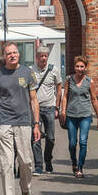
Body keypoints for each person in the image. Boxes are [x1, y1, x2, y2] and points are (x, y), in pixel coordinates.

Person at [0, 42, 40, 195]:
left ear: (19, 54)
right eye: (9, 53)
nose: (12, 55)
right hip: (4, 122)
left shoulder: (28, 72)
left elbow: (33, 100)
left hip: (24, 122)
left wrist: (36, 124)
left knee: (26, 161)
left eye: (15, 52)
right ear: (4, 56)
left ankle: (26, 190)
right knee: (7, 162)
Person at [59, 53, 98, 178]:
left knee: (83, 142)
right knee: (72, 143)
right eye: (77, 66)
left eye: (82, 66)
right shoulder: (68, 80)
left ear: (86, 68)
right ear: (74, 67)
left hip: (85, 115)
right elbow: (65, 96)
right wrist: (63, 110)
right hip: (71, 115)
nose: (79, 69)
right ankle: (74, 163)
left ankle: (80, 168)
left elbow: (94, 99)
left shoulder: (89, 82)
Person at [32, 45, 62, 173]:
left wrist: (57, 106)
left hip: (49, 107)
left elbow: (59, 87)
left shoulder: (54, 70)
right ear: (37, 57)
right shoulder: (30, 71)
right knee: (35, 138)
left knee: (51, 138)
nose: (44, 58)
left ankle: (48, 159)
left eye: (45, 56)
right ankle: (38, 166)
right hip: (35, 109)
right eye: (41, 56)